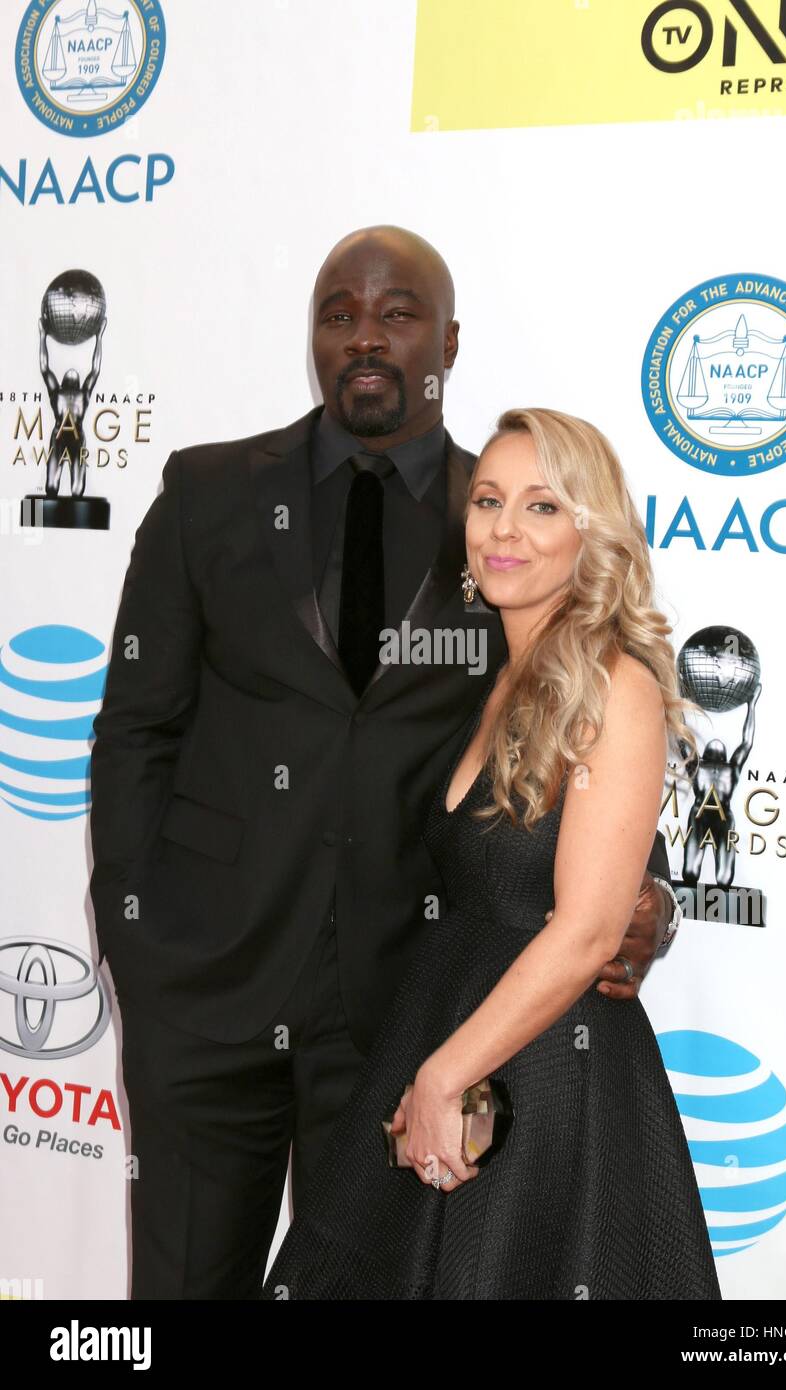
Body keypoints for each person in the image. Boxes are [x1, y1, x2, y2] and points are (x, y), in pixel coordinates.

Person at [88, 226, 679, 1300]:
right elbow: (136, 729)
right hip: (206, 992)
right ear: (312, 337)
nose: (366, 336)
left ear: (447, 340)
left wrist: (641, 888)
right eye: (338, 313)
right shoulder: (209, 492)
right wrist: (139, 945)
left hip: (403, 1008)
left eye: (397, 314)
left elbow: (576, 718)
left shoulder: (494, 519)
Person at [261, 408, 721, 1301]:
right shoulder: (491, 671)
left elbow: (589, 929)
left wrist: (444, 1075)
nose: (505, 528)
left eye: (543, 506)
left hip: (542, 1073)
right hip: (444, 1028)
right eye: (488, 500)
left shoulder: (614, 685)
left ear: (593, 534)